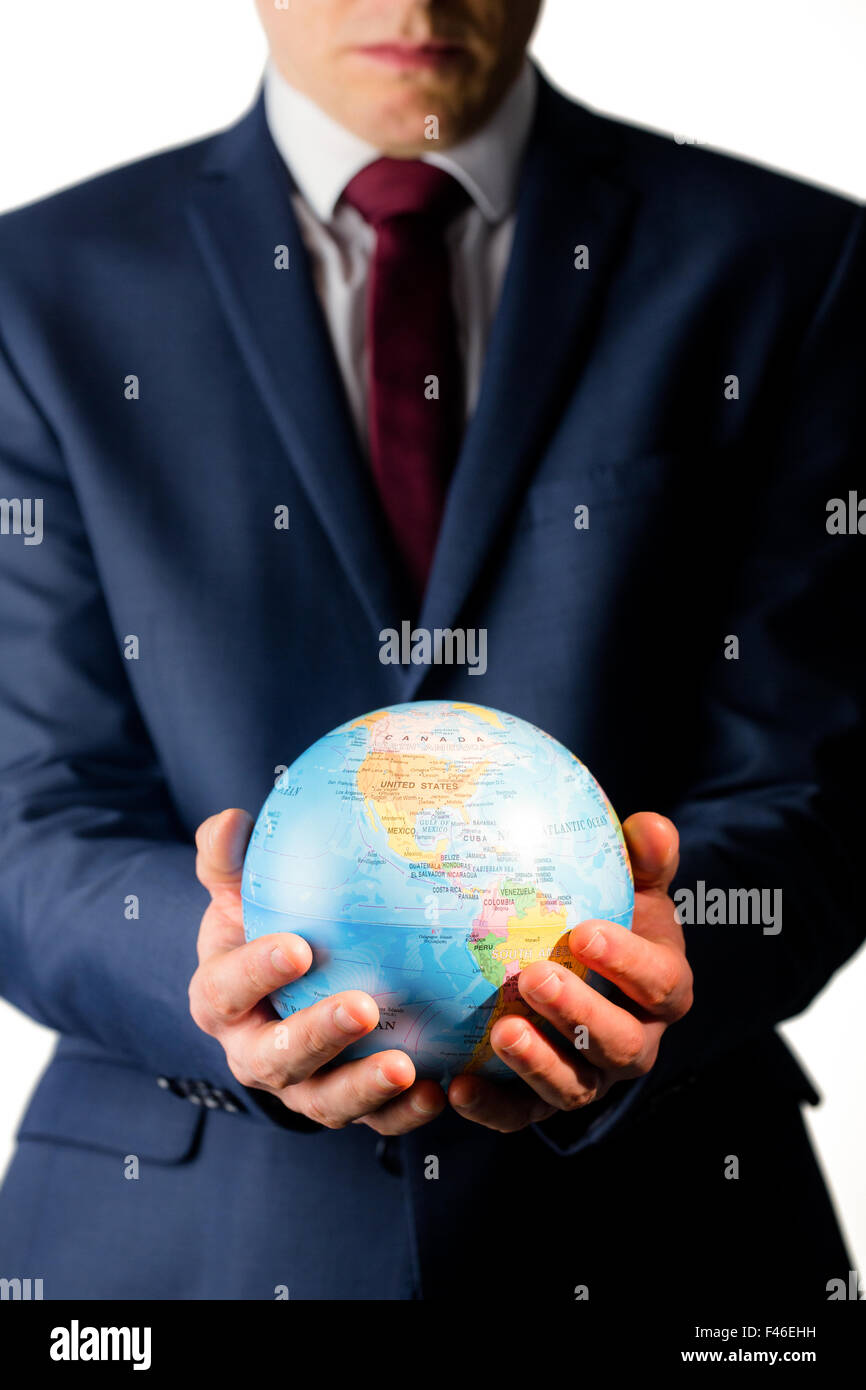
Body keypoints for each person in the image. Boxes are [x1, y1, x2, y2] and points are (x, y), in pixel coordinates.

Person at [0, 0, 862, 1303]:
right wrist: (226, 975)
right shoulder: (37, 288)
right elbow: (25, 809)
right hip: (171, 1256)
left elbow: (824, 777)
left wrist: (668, 954)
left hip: (670, 1239)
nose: (412, 1)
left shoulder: (791, 263)